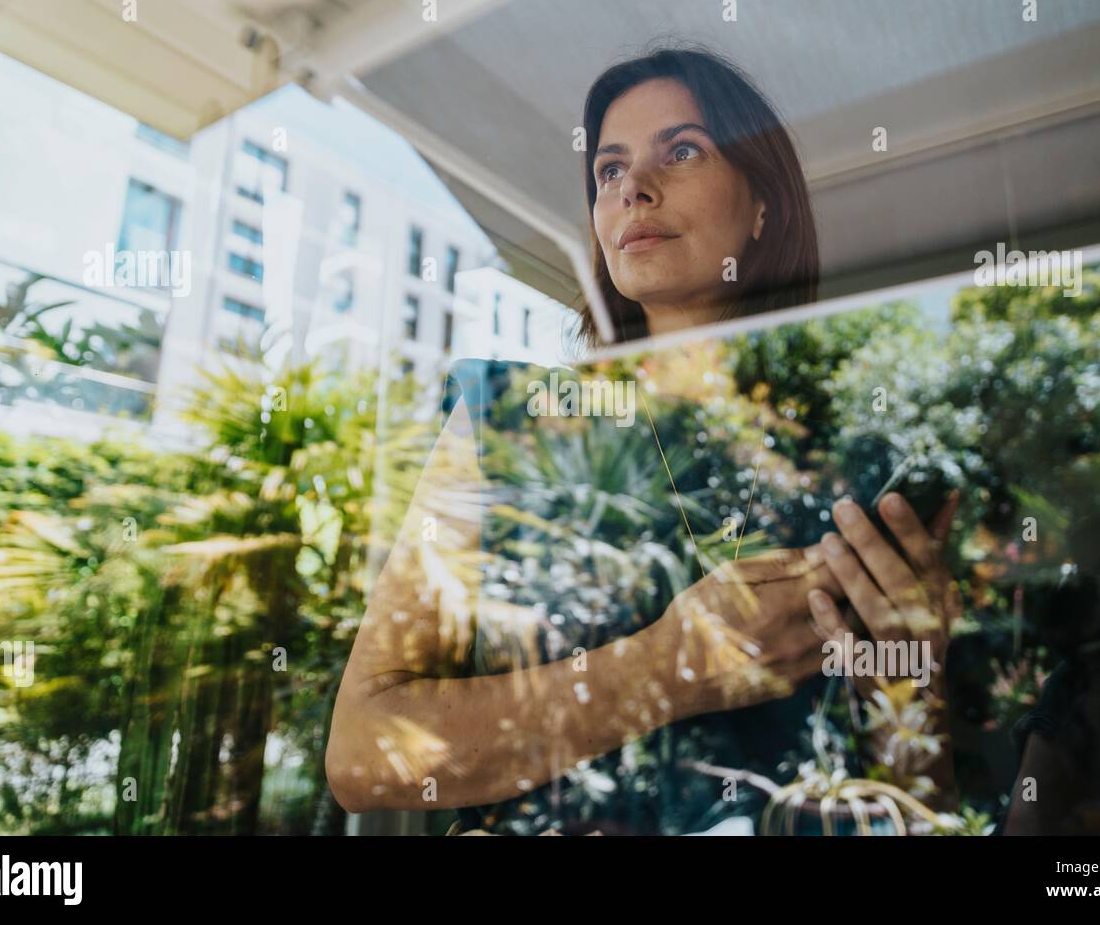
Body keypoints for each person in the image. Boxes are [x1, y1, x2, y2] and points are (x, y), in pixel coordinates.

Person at [325, 44, 961, 834]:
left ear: (764, 206)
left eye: (683, 150)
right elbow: (360, 753)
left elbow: (924, 802)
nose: (634, 188)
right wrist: (669, 667)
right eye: (608, 171)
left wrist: (914, 676)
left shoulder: (860, 464)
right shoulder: (512, 420)